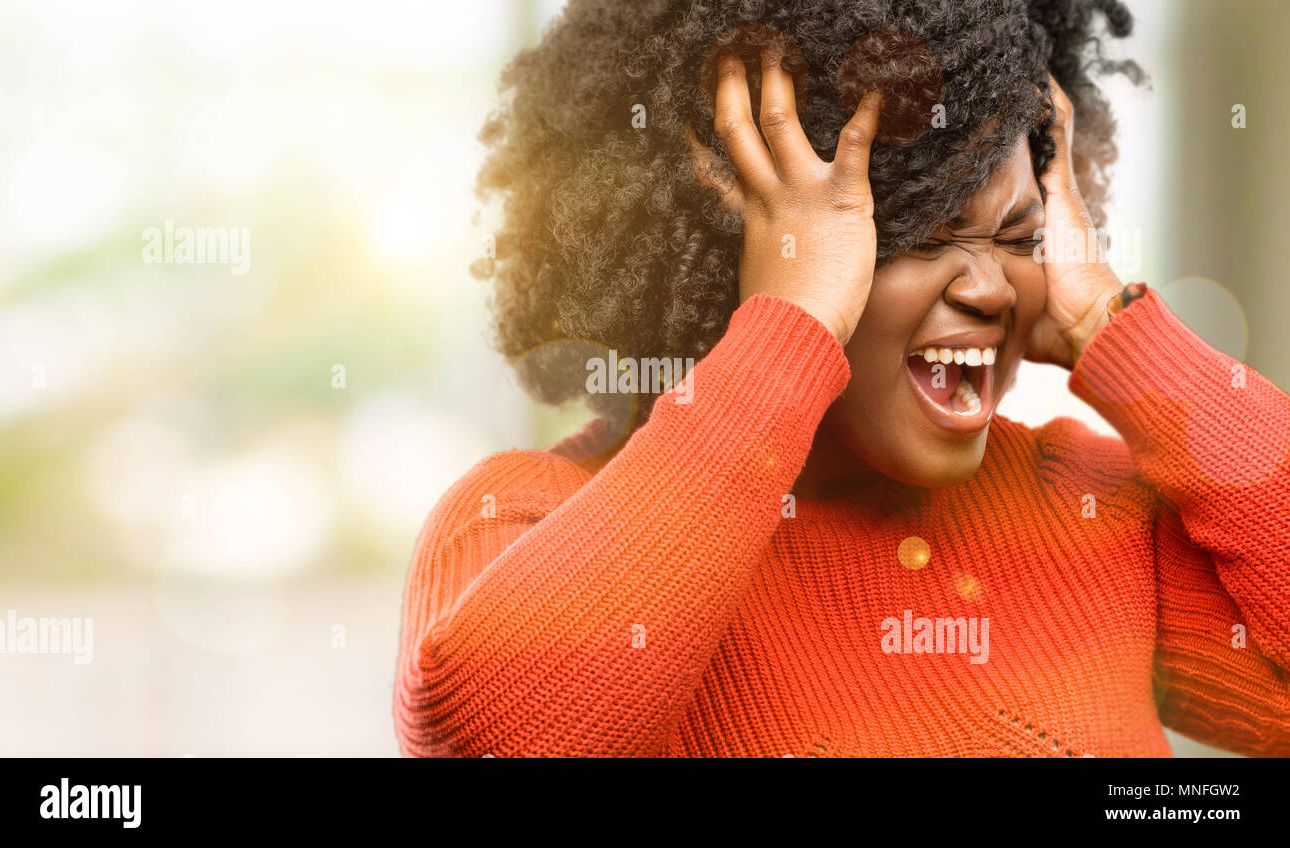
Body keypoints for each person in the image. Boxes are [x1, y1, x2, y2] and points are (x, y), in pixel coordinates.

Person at [394, 0, 1290, 757]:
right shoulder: (527, 512)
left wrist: (1115, 329)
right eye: (910, 235)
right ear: (732, 250)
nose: (988, 288)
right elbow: (489, 736)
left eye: (1020, 239)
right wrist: (791, 329)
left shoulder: (1093, 509)